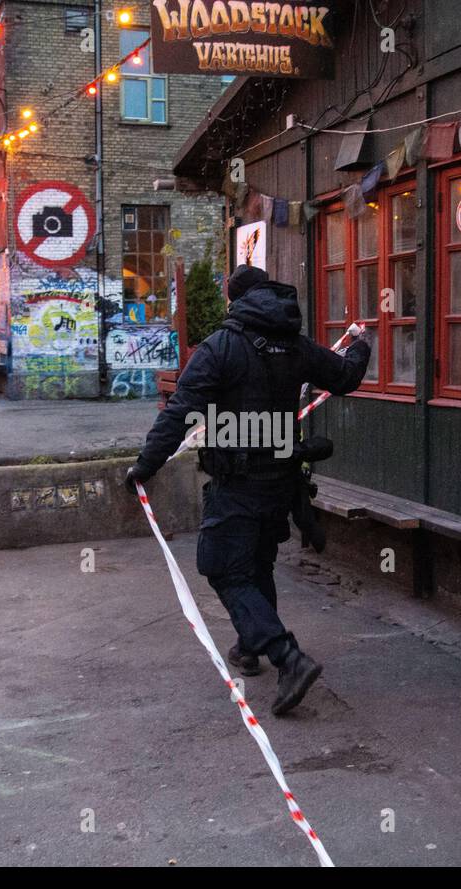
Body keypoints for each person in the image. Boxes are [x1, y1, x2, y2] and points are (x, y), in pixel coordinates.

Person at [125, 265, 370, 716]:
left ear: (233, 301)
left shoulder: (220, 347)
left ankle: (287, 657)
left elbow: (180, 410)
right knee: (256, 564)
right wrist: (361, 348)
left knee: (221, 565)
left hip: (236, 483)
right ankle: (248, 646)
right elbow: (346, 377)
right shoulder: (295, 346)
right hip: (280, 482)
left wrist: (145, 465)